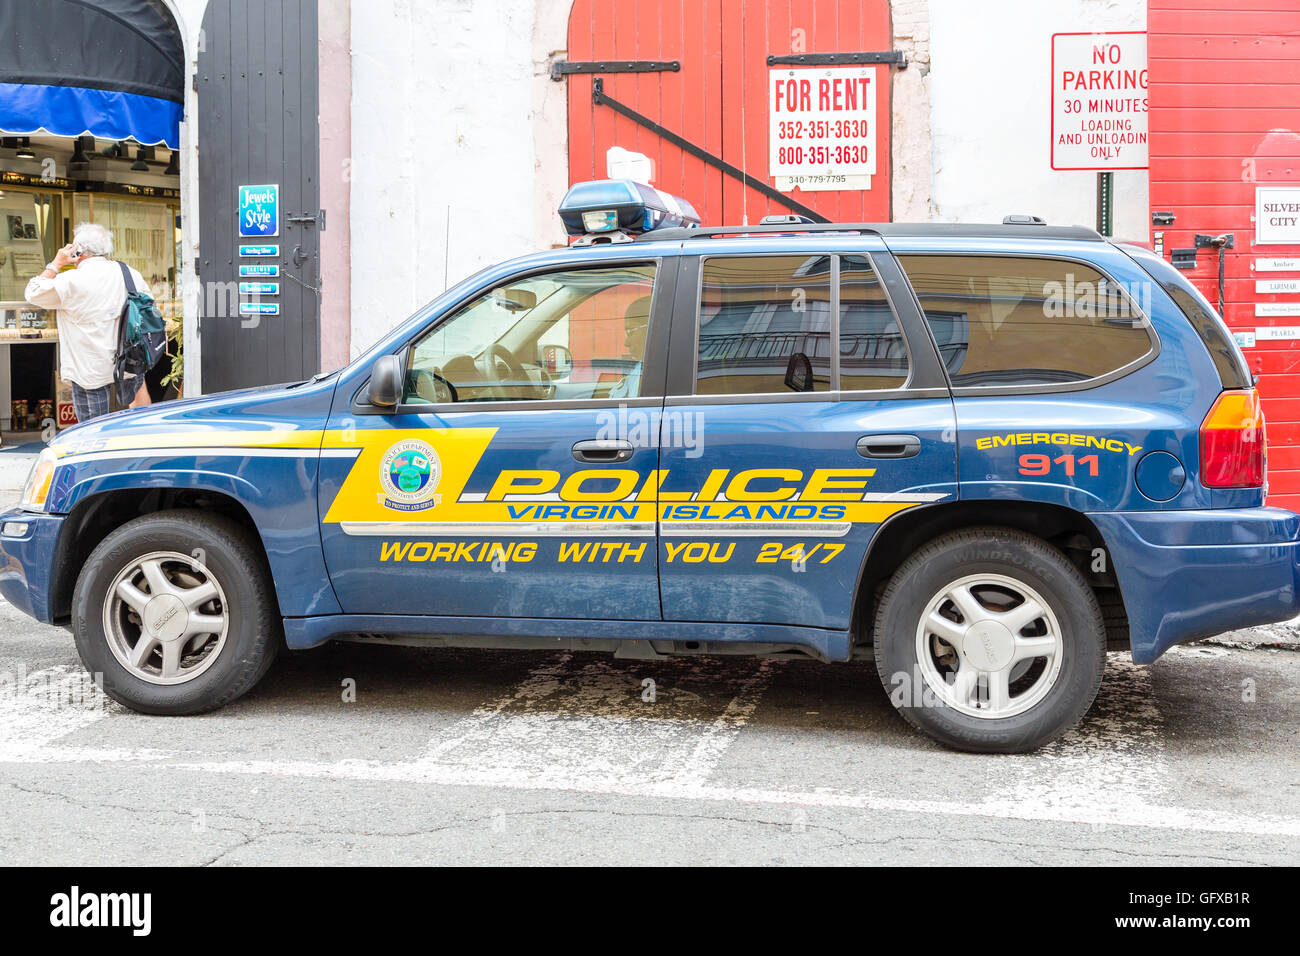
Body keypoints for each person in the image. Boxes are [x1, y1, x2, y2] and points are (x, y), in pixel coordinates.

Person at [24, 223, 152, 423]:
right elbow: (148, 308)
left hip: (89, 371)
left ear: (79, 251)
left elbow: (33, 292)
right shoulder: (129, 273)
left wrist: (55, 264)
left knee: (93, 432)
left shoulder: (71, 280)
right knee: (135, 425)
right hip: (128, 363)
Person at [607, 296, 650, 399]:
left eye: (630, 331)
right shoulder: (641, 368)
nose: (626, 343)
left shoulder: (656, 374)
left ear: (651, 329)